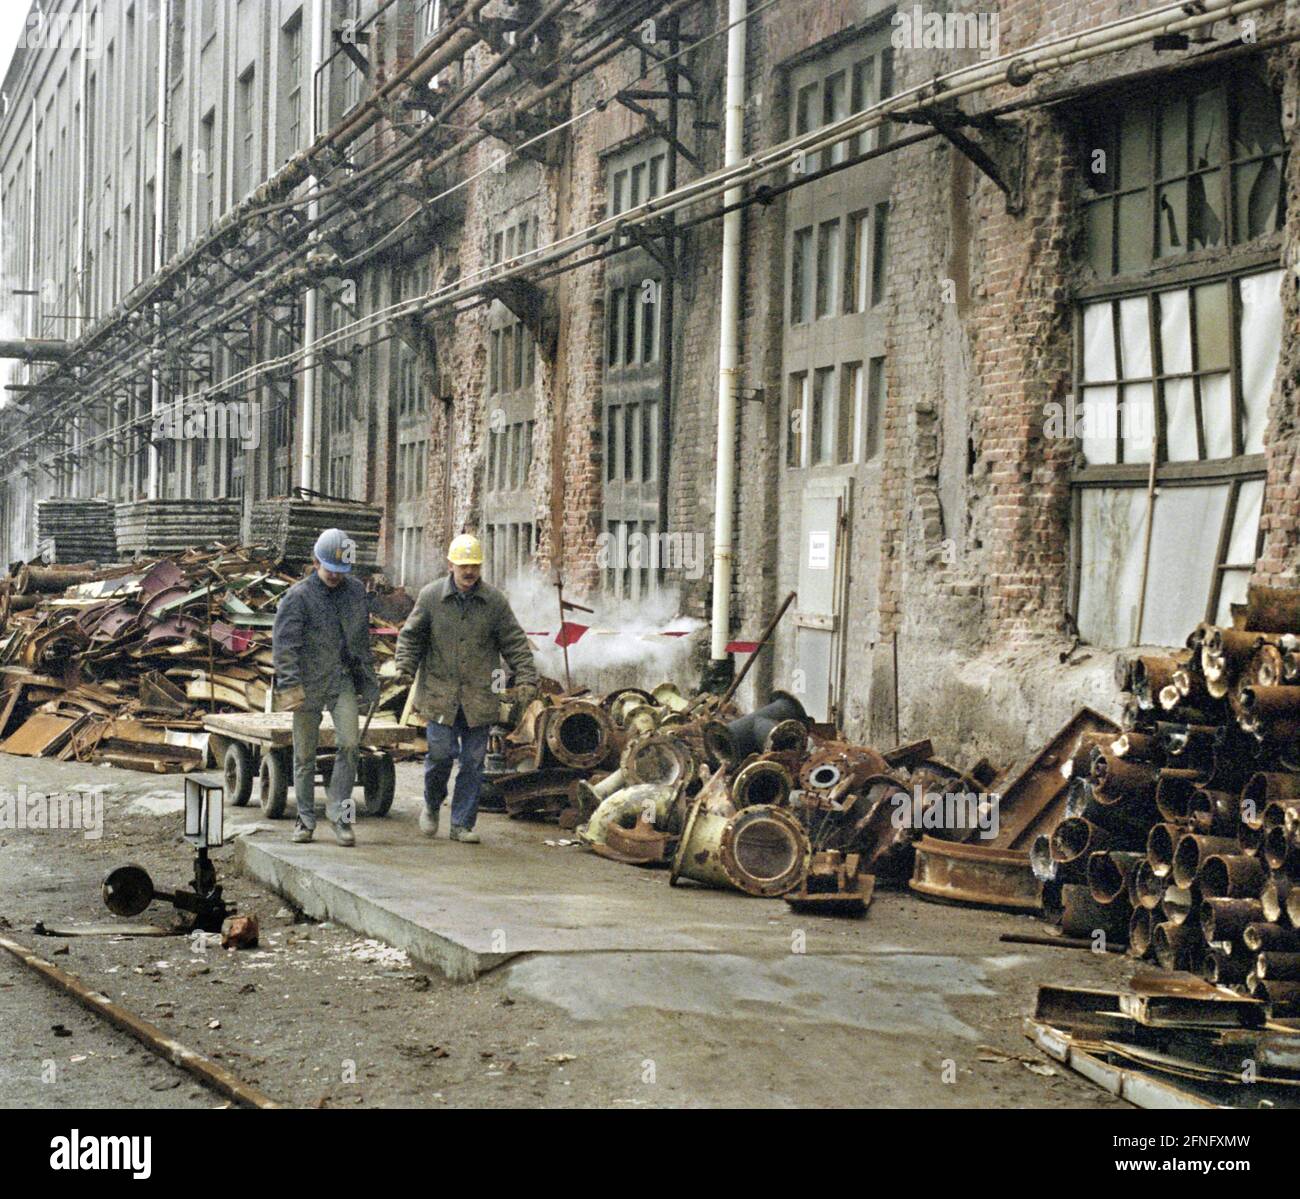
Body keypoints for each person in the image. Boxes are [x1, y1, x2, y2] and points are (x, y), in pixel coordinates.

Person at [395, 533, 538, 843]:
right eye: (463, 566)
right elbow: (411, 637)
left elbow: (514, 641)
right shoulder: (431, 597)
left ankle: (462, 824)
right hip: (439, 694)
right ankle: (432, 804)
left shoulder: (494, 602)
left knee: (473, 762)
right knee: (441, 755)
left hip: (478, 696)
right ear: (451, 565)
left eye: (474, 566)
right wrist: (404, 667)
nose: (469, 572)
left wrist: (526, 676)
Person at [271, 528, 379, 847]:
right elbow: (284, 645)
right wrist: (289, 685)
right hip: (306, 684)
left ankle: (341, 817)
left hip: (341, 680)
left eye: (341, 570)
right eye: (329, 568)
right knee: (304, 756)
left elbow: (361, 640)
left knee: (350, 745)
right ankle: (305, 821)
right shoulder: (298, 597)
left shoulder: (356, 591)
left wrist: (369, 681)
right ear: (316, 561)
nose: (334, 575)